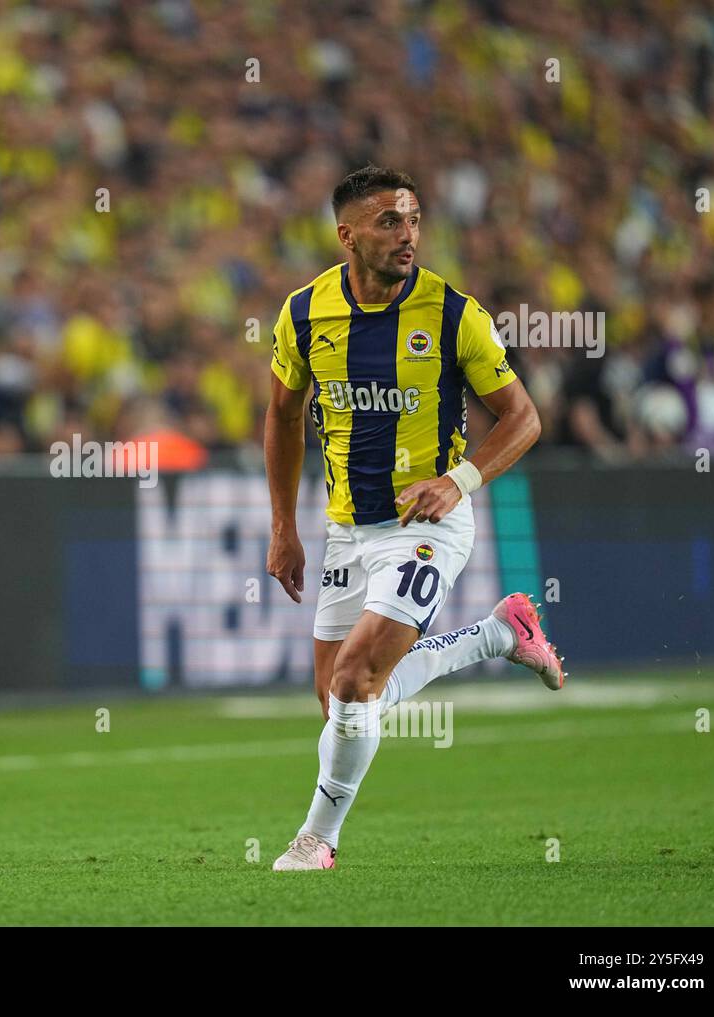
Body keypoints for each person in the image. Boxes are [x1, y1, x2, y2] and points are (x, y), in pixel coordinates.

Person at [263, 166, 565, 872]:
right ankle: (501, 631)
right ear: (347, 236)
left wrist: (458, 481)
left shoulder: (454, 314)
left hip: (429, 522)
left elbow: (523, 419)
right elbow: (282, 415)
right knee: (343, 697)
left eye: (415, 219)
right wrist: (284, 524)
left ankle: (315, 841)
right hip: (347, 528)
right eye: (389, 222)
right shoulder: (304, 315)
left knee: (354, 681)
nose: (409, 236)